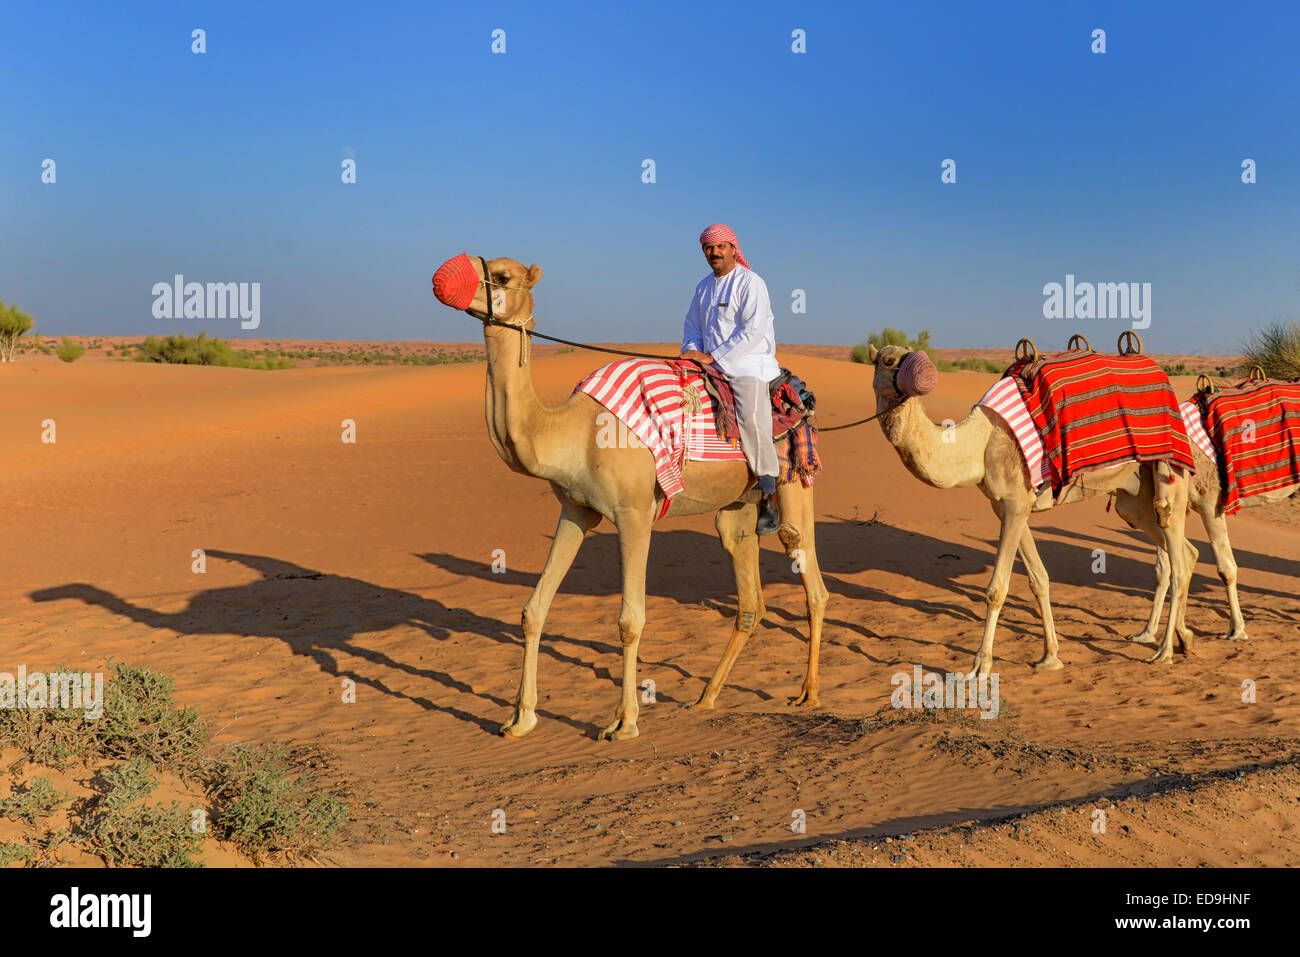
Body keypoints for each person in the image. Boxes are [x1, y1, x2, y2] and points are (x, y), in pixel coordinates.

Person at [681, 223, 781, 534]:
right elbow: (692, 327)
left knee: (751, 419)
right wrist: (692, 352)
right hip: (709, 364)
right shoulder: (703, 287)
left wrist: (715, 357)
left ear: (734, 249)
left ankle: (767, 491)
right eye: (709, 248)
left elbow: (751, 333)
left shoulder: (751, 283)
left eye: (720, 247)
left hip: (747, 365)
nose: (714, 253)